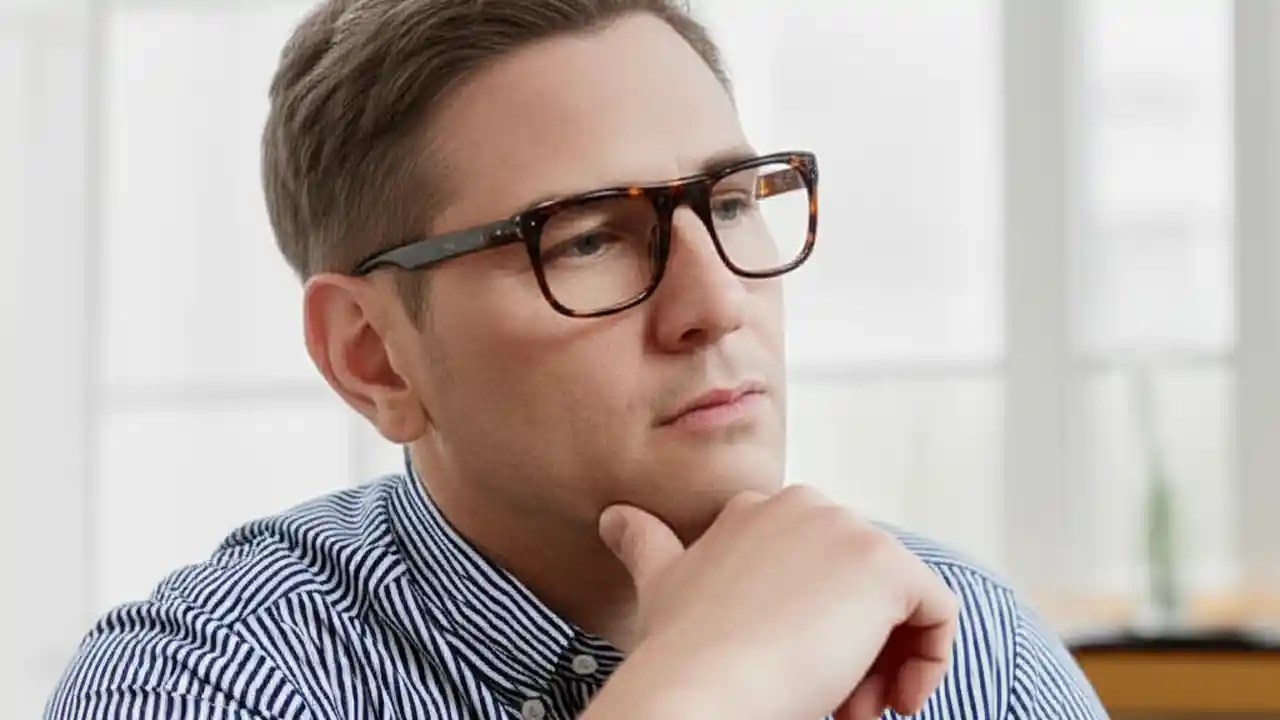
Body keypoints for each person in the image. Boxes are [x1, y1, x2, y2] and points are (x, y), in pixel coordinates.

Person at [47, 1, 1107, 718]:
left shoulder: (965, 641)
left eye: (729, 203)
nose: (718, 301)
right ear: (374, 359)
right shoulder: (207, 681)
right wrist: (708, 685)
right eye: (589, 238)